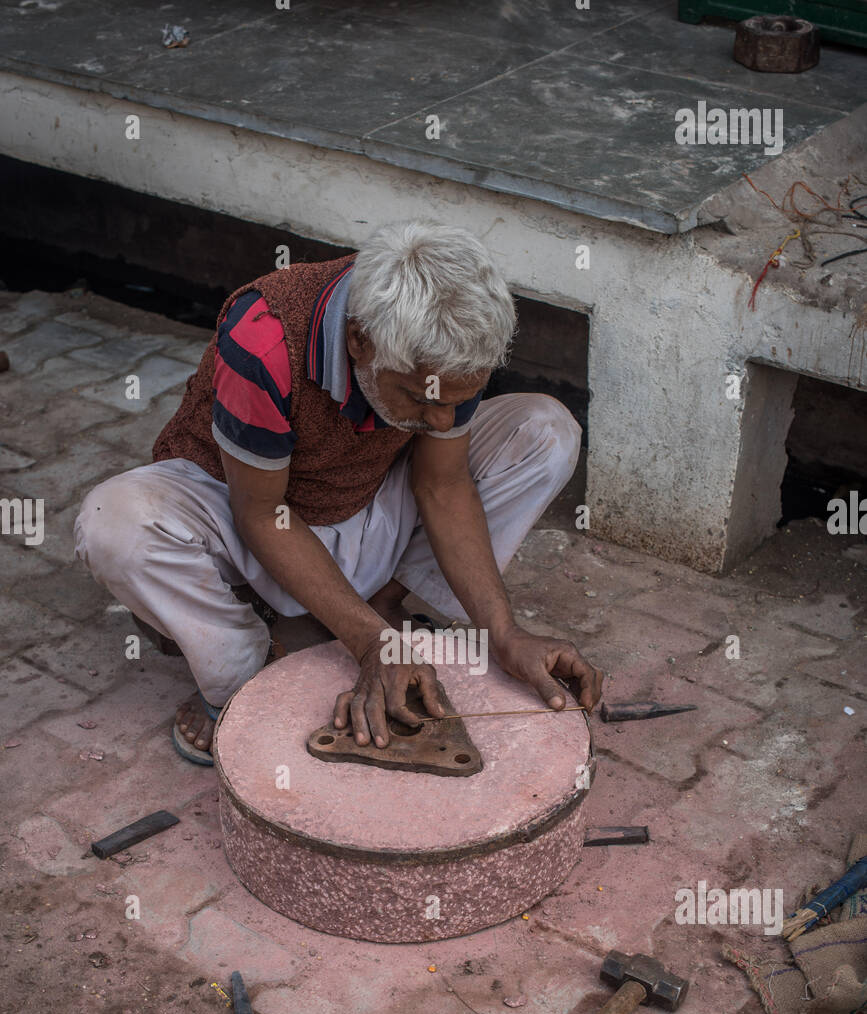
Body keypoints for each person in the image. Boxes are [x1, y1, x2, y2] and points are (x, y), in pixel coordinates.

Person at [75, 221, 602, 766]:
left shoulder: (448, 344)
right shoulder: (263, 337)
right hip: (246, 512)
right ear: (359, 341)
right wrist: (375, 646)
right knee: (113, 522)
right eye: (422, 399)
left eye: (456, 400)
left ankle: (379, 607)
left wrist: (505, 633)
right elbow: (261, 513)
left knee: (545, 430)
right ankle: (246, 682)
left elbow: (442, 484)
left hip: (365, 497)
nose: (443, 419)